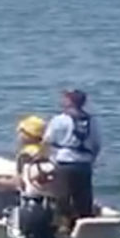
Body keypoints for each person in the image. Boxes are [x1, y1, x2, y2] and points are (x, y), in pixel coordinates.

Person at [42, 87, 101, 226]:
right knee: (84, 198)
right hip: (84, 164)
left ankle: (64, 227)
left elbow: (47, 140)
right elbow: (97, 145)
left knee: (62, 198)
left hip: (64, 163)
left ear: (69, 102)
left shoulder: (59, 120)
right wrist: (92, 160)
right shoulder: (92, 121)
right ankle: (86, 227)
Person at [10, 115, 62, 238]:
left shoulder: (25, 155)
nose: (18, 135)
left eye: (21, 131)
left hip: (31, 209)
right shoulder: (47, 153)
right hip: (49, 209)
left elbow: (21, 182)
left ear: (28, 135)